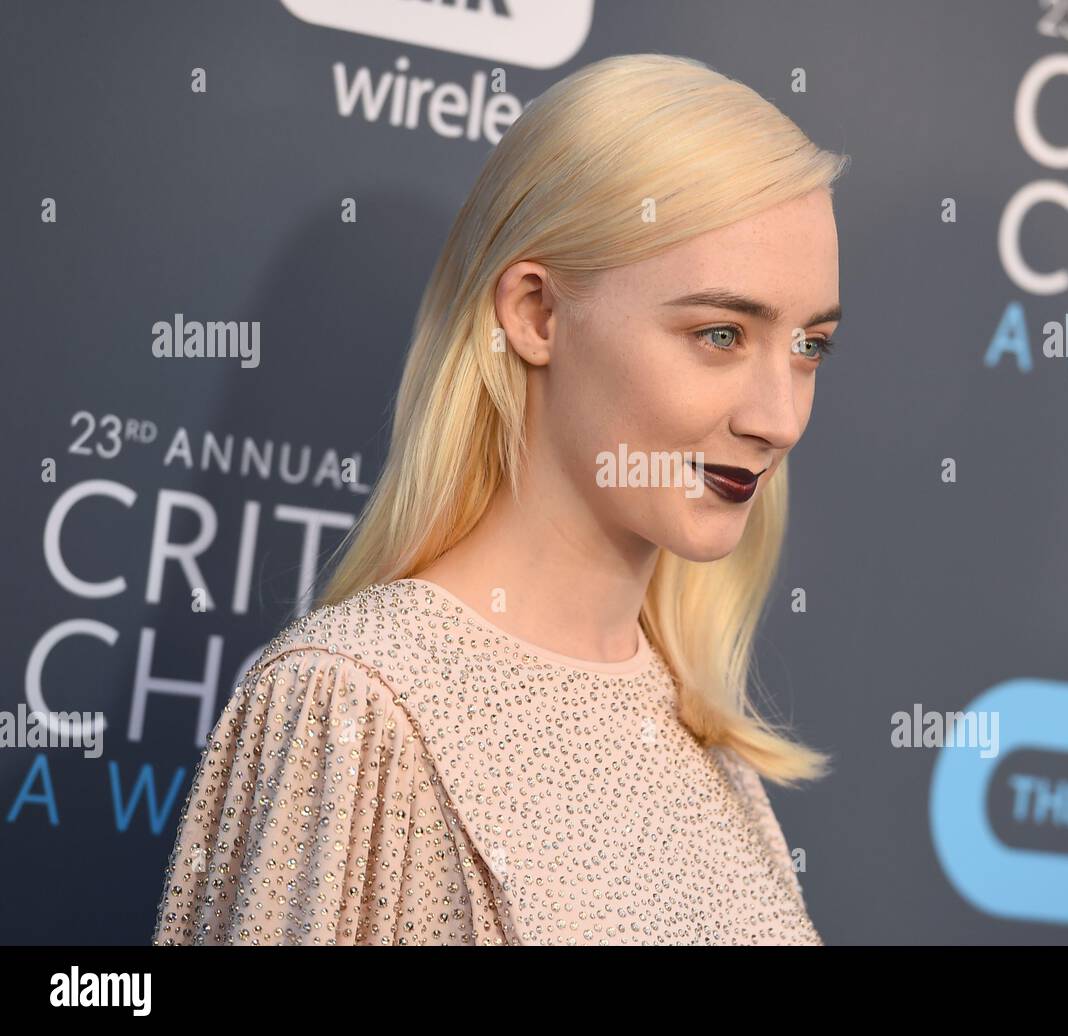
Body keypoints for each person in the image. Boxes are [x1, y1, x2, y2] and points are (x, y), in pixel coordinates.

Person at [152, 52, 845, 946]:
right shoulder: (357, 710)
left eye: (810, 347)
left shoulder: (696, 739)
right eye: (719, 334)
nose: (780, 417)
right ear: (535, 314)